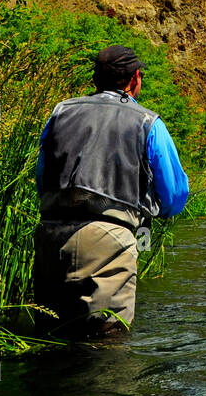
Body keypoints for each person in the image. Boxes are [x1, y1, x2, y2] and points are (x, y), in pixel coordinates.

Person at [33, 45, 189, 337]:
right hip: (109, 241)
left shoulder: (60, 112)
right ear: (135, 79)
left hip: (50, 237)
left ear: (96, 79)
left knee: (50, 338)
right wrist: (155, 208)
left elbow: (42, 177)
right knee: (106, 344)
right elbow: (174, 197)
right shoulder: (148, 122)